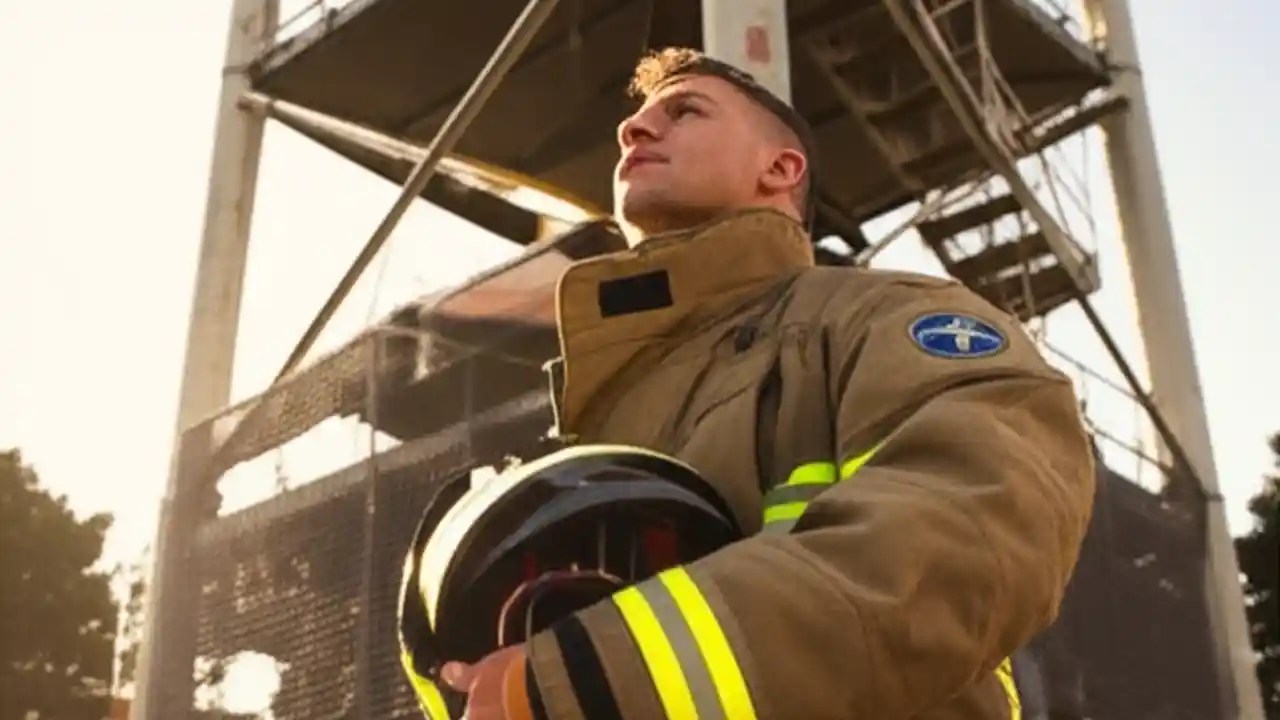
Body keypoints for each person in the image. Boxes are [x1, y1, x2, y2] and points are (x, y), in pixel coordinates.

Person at [435, 46, 1096, 720]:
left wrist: (601, 675)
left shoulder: (886, 318)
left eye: (685, 110)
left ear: (781, 169)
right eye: (632, 122)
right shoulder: (587, 423)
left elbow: (975, 524)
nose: (632, 131)